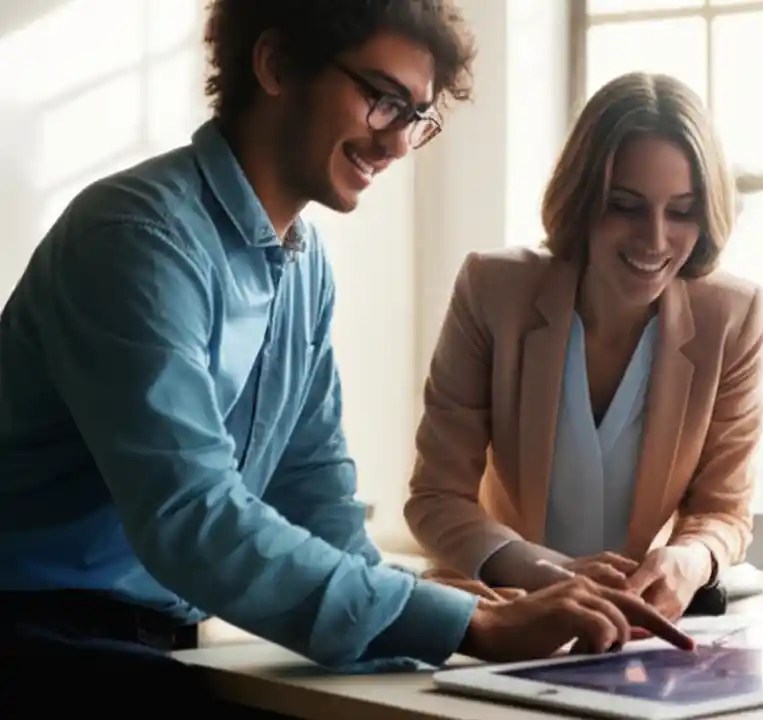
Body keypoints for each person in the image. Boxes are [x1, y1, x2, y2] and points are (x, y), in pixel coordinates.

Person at [0, 2, 691, 711]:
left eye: (417, 118)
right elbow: (193, 518)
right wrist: (471, 623)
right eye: (384, 100)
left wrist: (433, 603)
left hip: (150, 639)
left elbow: (314, 491)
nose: (396, 145)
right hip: (30, 634)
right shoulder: (137, 239)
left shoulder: (303, 264)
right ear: (273, 65)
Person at [405, 71, 763, 621]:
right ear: (582, 200)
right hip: (511, 611)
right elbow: (436, 497)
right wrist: (543, 571)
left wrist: (691, 560)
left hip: (644, 623)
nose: (654, 238)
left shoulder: (733, 316)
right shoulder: (493, 290)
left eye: (681, 211)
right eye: (625, 205)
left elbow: (723, 511)